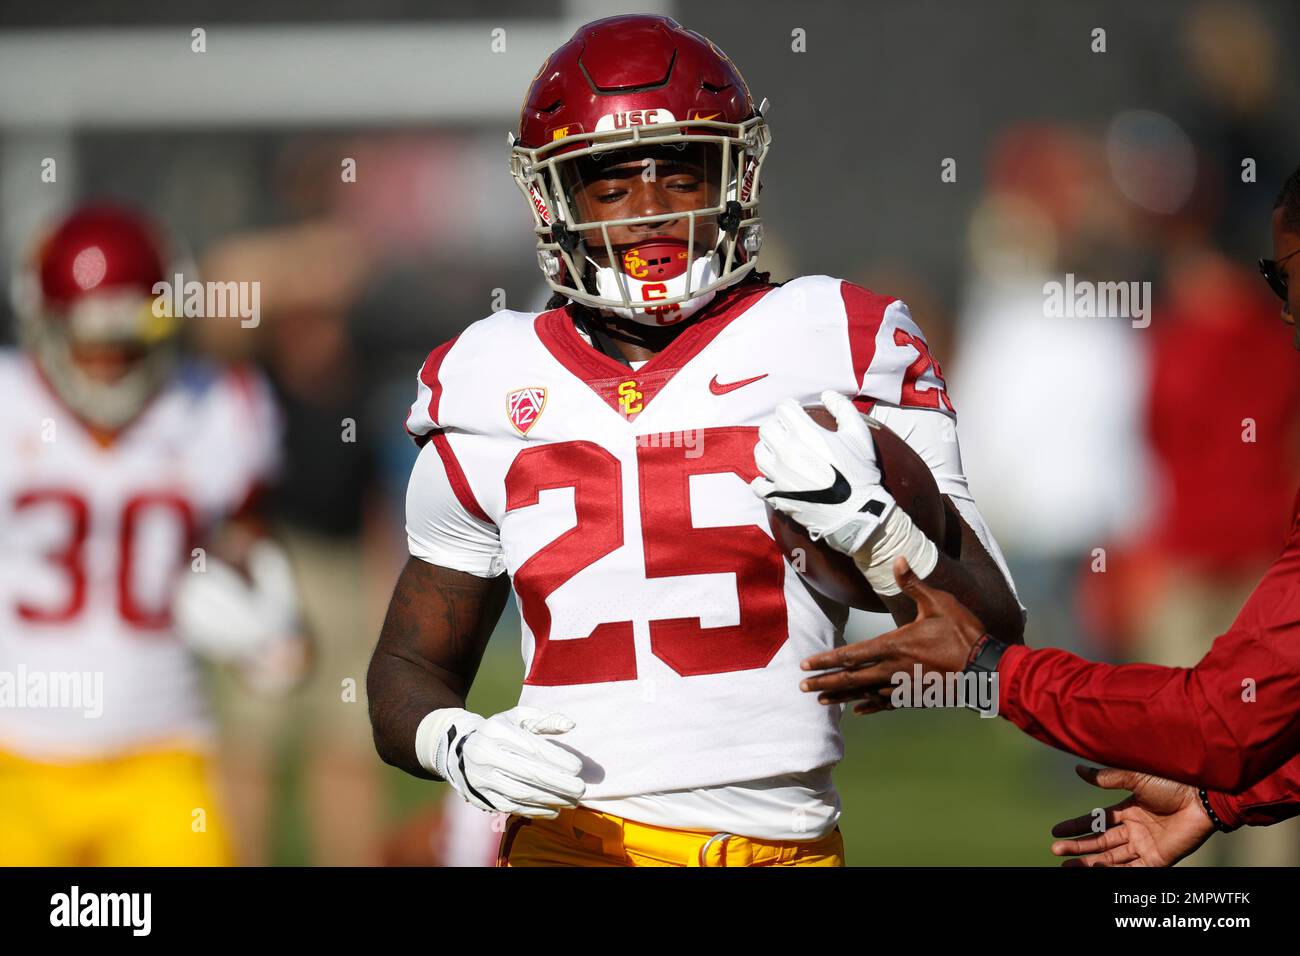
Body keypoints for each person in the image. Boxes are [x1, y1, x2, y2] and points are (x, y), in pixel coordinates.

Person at [367, 15, 1021, 868]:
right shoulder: (487, 375)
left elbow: (995, 645)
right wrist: (455, 743)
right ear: (553, 200)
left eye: (682, 174)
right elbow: (406, 667)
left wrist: (884, 535)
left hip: (780, 846)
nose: (650, 214)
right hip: (574, 845)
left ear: (737, 174)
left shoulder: (839, 336)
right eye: (610, 187)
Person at [793, 164, 1300, 866]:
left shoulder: (1169, 336)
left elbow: (1212, 723)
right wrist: (1223, 799)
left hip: (1216, 551)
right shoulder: (1150, 334)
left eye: (1288, 279)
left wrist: (984, 669)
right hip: (1184, 550)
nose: (1285, 309)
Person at [0, 204, 308, 865]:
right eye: (91, 339)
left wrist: (274, 627)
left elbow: (248, 545)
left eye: (128, 338)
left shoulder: (218, 406)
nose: (110, 359)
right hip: (12, 758)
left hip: (162, 752)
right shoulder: (10, 402)